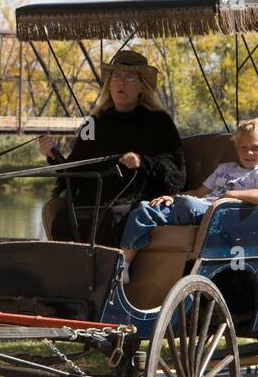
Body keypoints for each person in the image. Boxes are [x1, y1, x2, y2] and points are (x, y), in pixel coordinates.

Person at [38, 50, 185, 247]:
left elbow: (175, 170)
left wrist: (143, 162)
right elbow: (75, 170)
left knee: (113, 219)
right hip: (94, 200)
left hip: (133, 200)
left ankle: (110, 275)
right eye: (116, 76)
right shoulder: (94, 123)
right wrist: (53, 155)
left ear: (142, 85)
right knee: (65, 218)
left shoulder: (159, 122)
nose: (121, 82)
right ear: (109, 83)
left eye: (129, 77)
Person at [118, 117, 258, 273]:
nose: (248, 152)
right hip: (198, 207)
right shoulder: (225, 168)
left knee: (188, 204)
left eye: (255, 148)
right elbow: (198, 192)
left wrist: (231, 194)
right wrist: (173, 198)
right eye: (243, 148)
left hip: (222, 215)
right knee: (145, 207)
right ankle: (123, 265)